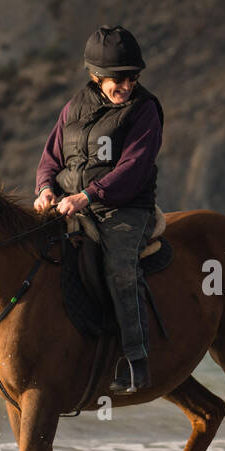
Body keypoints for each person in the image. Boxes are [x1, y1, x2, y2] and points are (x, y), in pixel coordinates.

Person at [33, 25, 163, 394]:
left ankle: (136, 358)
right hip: (69, 205)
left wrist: (87, 196)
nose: (125, 86)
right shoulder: (73, 107)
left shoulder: (145, 110)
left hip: (122, 208)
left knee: (119, 268)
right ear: (94, 76)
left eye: (132, 78)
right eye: (115, 79)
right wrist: (45, 189)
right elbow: (50, 158)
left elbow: (133, 169)